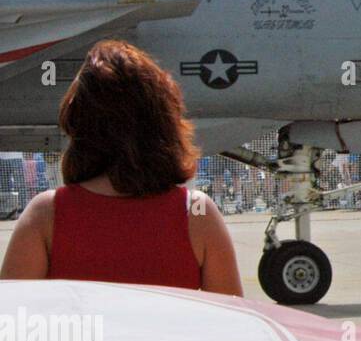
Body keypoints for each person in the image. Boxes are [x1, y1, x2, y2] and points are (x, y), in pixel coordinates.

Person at [0, 40, 242, 295]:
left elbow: (11, 324)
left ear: (77, 124)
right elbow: (236, 324)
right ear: (163, 123)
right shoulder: (197, 213)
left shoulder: (46, 214)